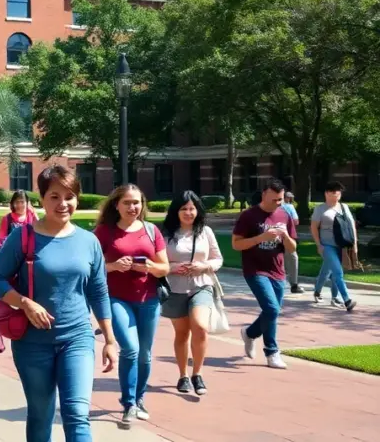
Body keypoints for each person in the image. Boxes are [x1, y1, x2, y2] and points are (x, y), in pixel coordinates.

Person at [0, 165, 116, 442]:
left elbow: (98, 290)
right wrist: (25, 303)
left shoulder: (89, 241)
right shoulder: (22, 237)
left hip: (77, 339)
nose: (63, 204)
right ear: (42, 198)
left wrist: (109, 339)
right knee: (40, 412)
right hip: (33, 343)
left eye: (69, 196)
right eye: (55, 196)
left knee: (76, 414)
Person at [93, 184, 169, 428]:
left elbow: (165, 268)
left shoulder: (151, 230)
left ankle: (139, 397)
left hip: (149, 300)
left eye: (136, 202)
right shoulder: (104, 232)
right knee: (131, 349)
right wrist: (114, 266)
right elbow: (91, 268)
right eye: (127, 202)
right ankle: (129, 404)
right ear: (116, 204)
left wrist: (149, 266)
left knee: (145, 354)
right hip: (116, 299)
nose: (132, 207)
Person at [161, 191, 223, 396]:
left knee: (200, 327)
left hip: (201, 285)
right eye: (184, 209)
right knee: (182, 333)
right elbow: (157, 263)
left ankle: (198, 373)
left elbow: (218, 259)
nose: (188, 213)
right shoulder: (166, 234)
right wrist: (172, 268)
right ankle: (183, 375)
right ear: (176, 211)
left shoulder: (205, 231)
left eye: (192, 208)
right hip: (175, 288)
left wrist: (204, 266)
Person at [232, 178, 298, 369]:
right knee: (272, 309)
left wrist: (284, 236)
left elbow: (292, 247)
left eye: (280, 200)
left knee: (272, 312)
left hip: (277, 270)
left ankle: (250, 333)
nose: (277, 204)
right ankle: (272, 351)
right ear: (264, 195)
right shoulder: (249, 216)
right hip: (255, 270)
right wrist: (262, 237)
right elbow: (236, 244)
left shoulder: (285, 215)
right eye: (274, 200)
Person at [311, 181, 358, 312]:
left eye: (339, 191)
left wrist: (354, 244)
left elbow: (351, 225)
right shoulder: (320, 208)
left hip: (342, 245)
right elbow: (314, 227)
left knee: (327, 270)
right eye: (333, 191)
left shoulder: (344, 207)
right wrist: (318, 244)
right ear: (326, 193)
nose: (336, 193)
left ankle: (318, 292)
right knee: (338, 272)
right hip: (327, 245)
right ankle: (347, 300)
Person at [280, 192, 304, 293]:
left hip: (274, 235)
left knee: (281, 259)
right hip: (288, 235)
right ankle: (294, 284)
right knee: (293, 258)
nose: (290, 200)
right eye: (289, 198)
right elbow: (296, 221)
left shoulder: (273, 207)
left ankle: (279, 282)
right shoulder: (290, 207)